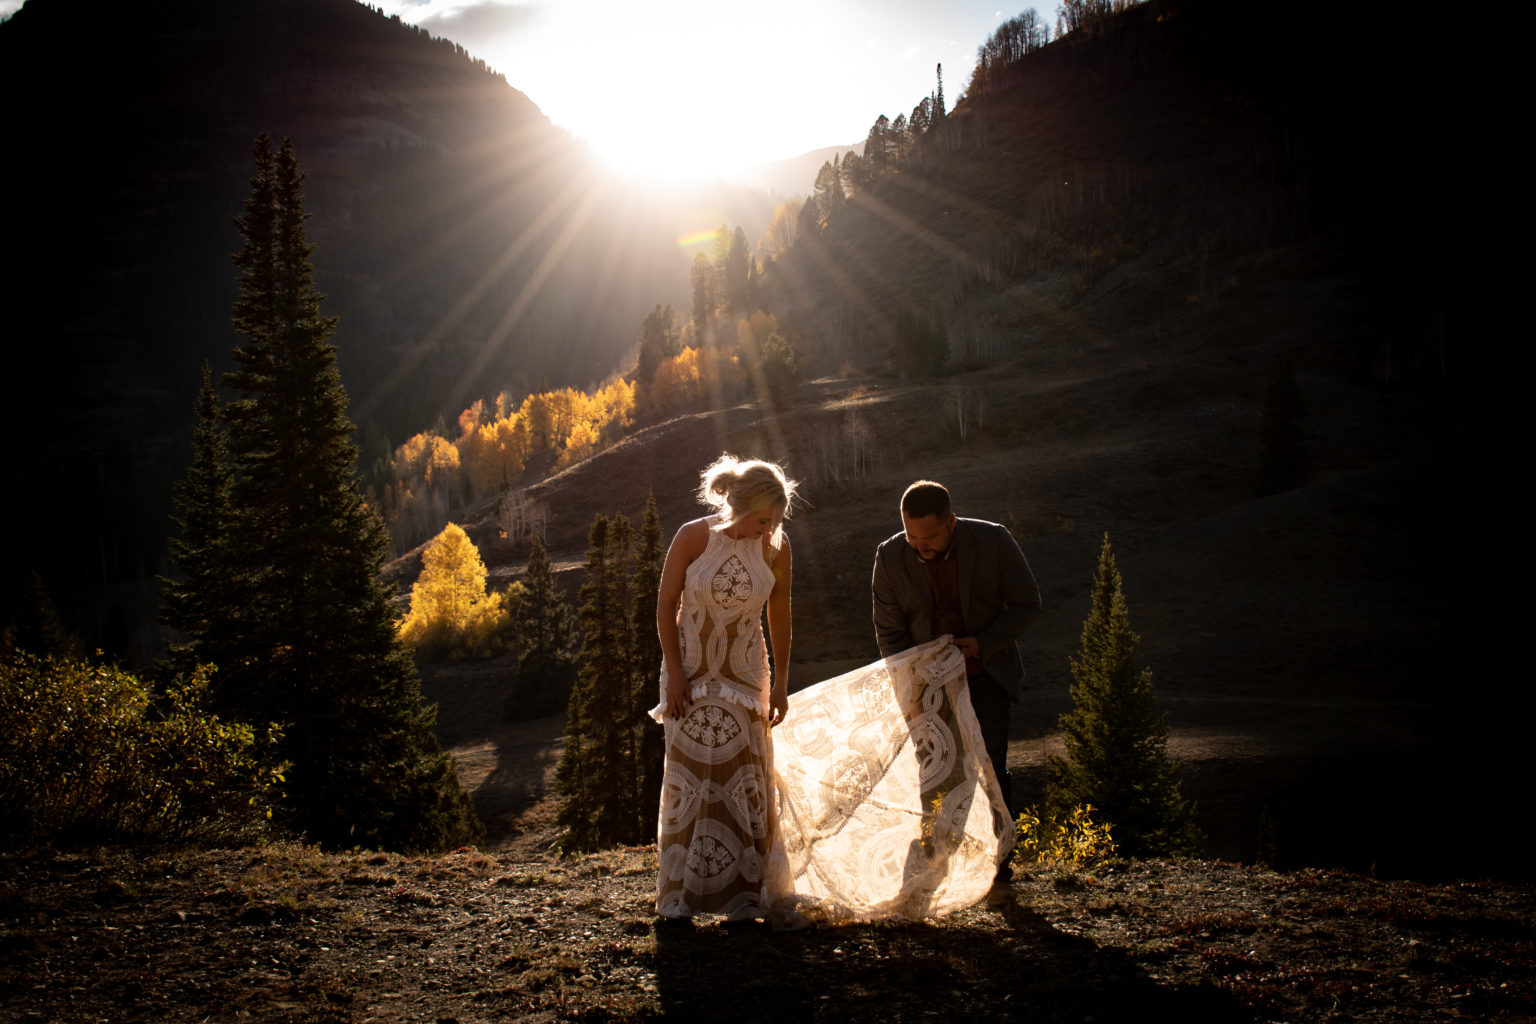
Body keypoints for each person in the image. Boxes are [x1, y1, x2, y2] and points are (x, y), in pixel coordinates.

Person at [870, 480, 1042, 897]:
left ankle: (1000, 866)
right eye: (912, 537)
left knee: (991, 767)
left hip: (986, 676)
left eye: (930, 538)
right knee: (935, 772)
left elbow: (1027, 604)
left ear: (952, 521)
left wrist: (983, 642)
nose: (920, 546)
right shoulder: (890, 556)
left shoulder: (994, 541)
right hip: (926, 686)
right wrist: (907, 693)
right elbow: (889, 634)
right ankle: (936, 864)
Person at [652, 455, 794, 922]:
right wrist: (675, 673)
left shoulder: (775, 547)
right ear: (739, 507)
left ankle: (745, 897)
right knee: (693, 779)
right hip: (691, 670)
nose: (768, 528)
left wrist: (782, 684)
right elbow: (666, 605)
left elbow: (780, 616)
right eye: (762, 519)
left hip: (747, 673)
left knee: (743, 779)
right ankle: (681, 896)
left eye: (775, 520)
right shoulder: (694, 536)